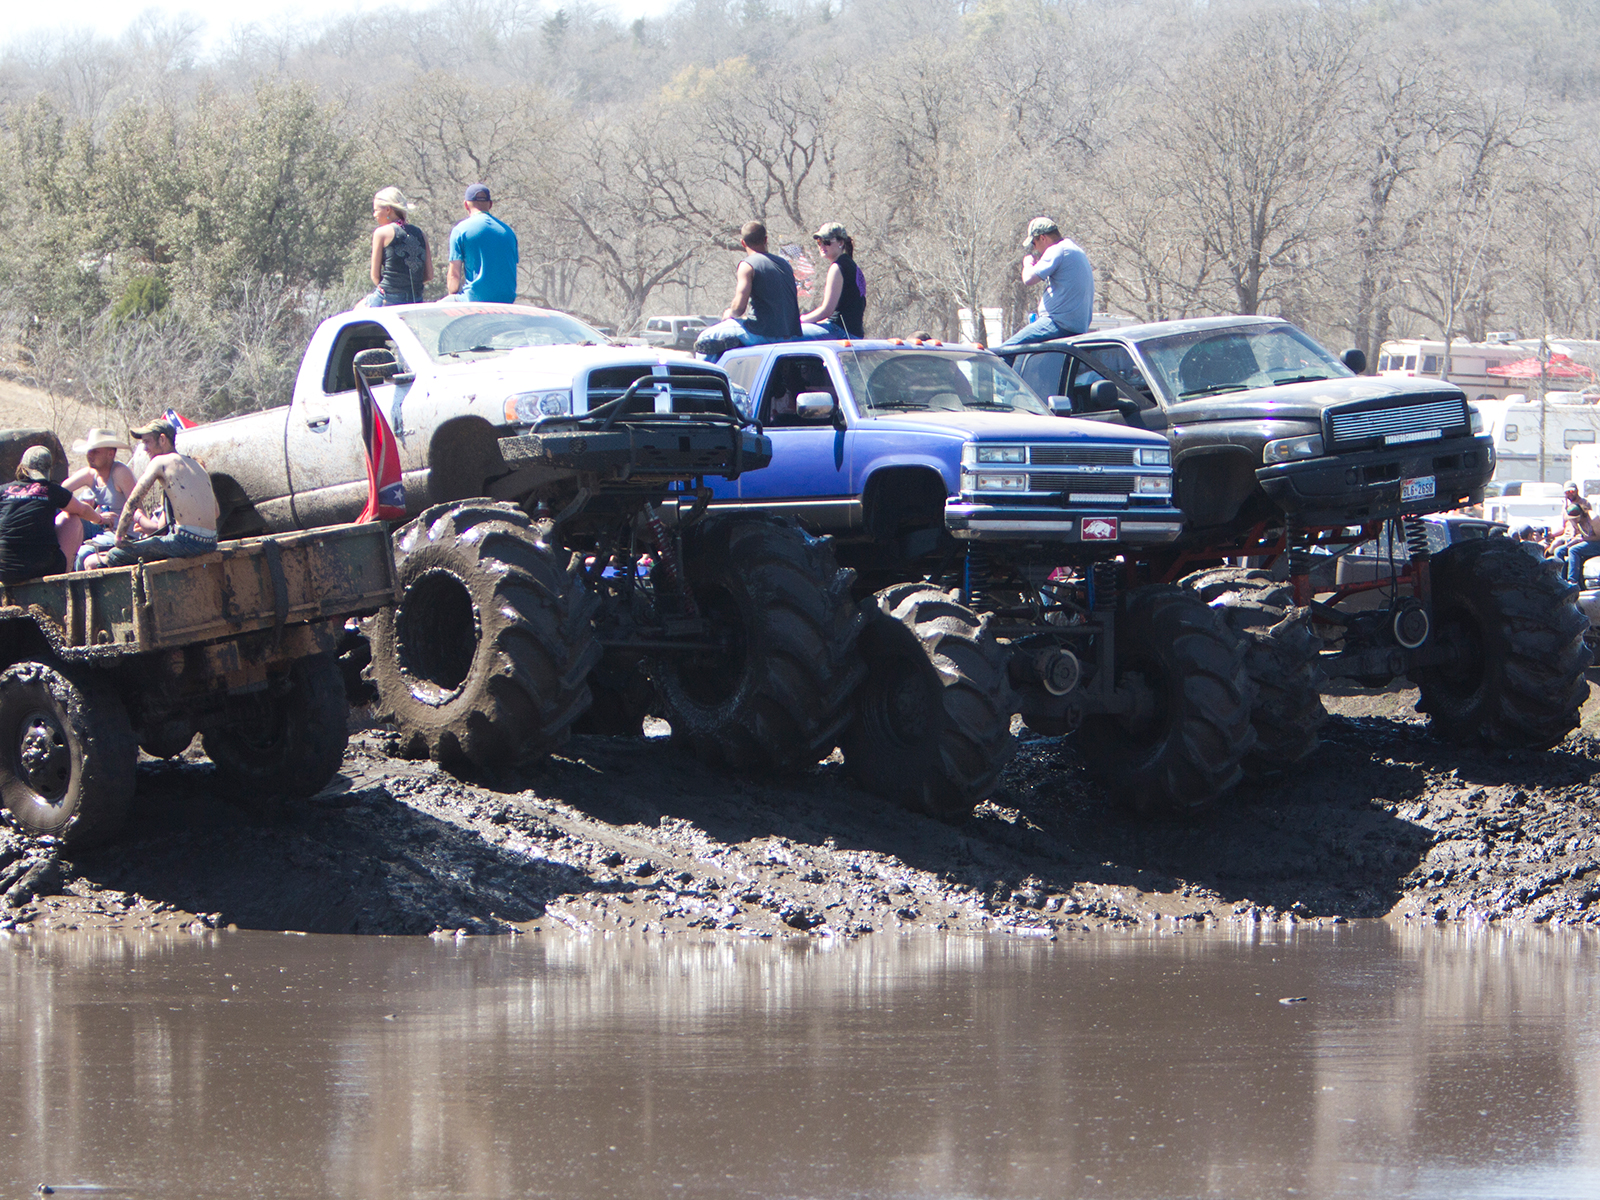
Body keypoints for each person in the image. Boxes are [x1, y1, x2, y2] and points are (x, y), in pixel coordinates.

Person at [81, 420, 219, 570]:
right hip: (211, 542)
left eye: (147, 442)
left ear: (162, 439)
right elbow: (216, 512)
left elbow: (132, 501)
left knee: (115, 554)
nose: (145, 448)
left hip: (184, 542)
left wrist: (119, 538)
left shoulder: (160, 461)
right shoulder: (195, 464)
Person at [0, 446, 112, 585]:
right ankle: (63, 579)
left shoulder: (3, 491)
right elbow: (82, 510)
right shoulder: (51, 490)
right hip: (43, 568)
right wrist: (100, 519)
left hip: (6, 572)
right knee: (71, 517)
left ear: (23, 467)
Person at [694, 221, 803, 362]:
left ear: (743, 243)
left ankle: (705, 375)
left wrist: (729, 313)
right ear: (765, 240)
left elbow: (739, 309)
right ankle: (737, 344)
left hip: (761, 334)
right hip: (790, 335)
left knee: (706, 338)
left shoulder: (747, 265)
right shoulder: (785, 264)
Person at [1001, 216, 1094, 346]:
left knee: (1005, 350)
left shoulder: (1057, 249)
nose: (1035, 248)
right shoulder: (1075, 250)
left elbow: (1028, 279)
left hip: (1057, 324)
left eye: (1034, 243)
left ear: (1043, 238)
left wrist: (1028, 264)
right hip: (1076, 327)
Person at [63, 427, 137, 547]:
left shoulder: (120, 473)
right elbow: (60, 493)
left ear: (110, 454)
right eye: (89, 451)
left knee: (83, 552)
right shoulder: (90, 474)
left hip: (120, 534)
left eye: (95, 451)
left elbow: (137, 507)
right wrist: (84, 505)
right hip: (100, 528)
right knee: (63, 514)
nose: (90, 455)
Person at [445, 184, 518, 304]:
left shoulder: (460, 230)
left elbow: (454, 277)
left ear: (466, 205)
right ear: (490, 204)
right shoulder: (509, 233)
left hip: (473, 301)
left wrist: (452, 298)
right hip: (506, 302)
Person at [365, 186, 433, 307]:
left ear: (388, 209)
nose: (374, 215)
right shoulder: (420, 233)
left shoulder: (381, 233)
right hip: (415, 300)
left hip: (387, 298)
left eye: (376, 210)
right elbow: (429, 275)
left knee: (358, 308)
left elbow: (375, 277)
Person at [801, 222, 866, 338]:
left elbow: (827, 310)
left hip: (840, 332)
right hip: (854, 333)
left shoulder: (837, 268)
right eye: (819, 242)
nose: (822, 246)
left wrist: (801, 319)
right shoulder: (853, 266)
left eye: (827, 242)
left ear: (841, 243)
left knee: (792, 335)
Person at [1551, 502, 1600, 585]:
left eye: (1575, 518)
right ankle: (1559, 579)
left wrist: (1581, 539)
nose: (1574, 520)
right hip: (1585, 541)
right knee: (1559, 550)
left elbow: (1598, 537)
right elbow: (1576, 533)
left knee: (1573, 550)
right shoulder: (1574, 521)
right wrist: (1571, 540)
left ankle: (1572, 581)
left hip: (1596, 543)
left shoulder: (1592, 518)